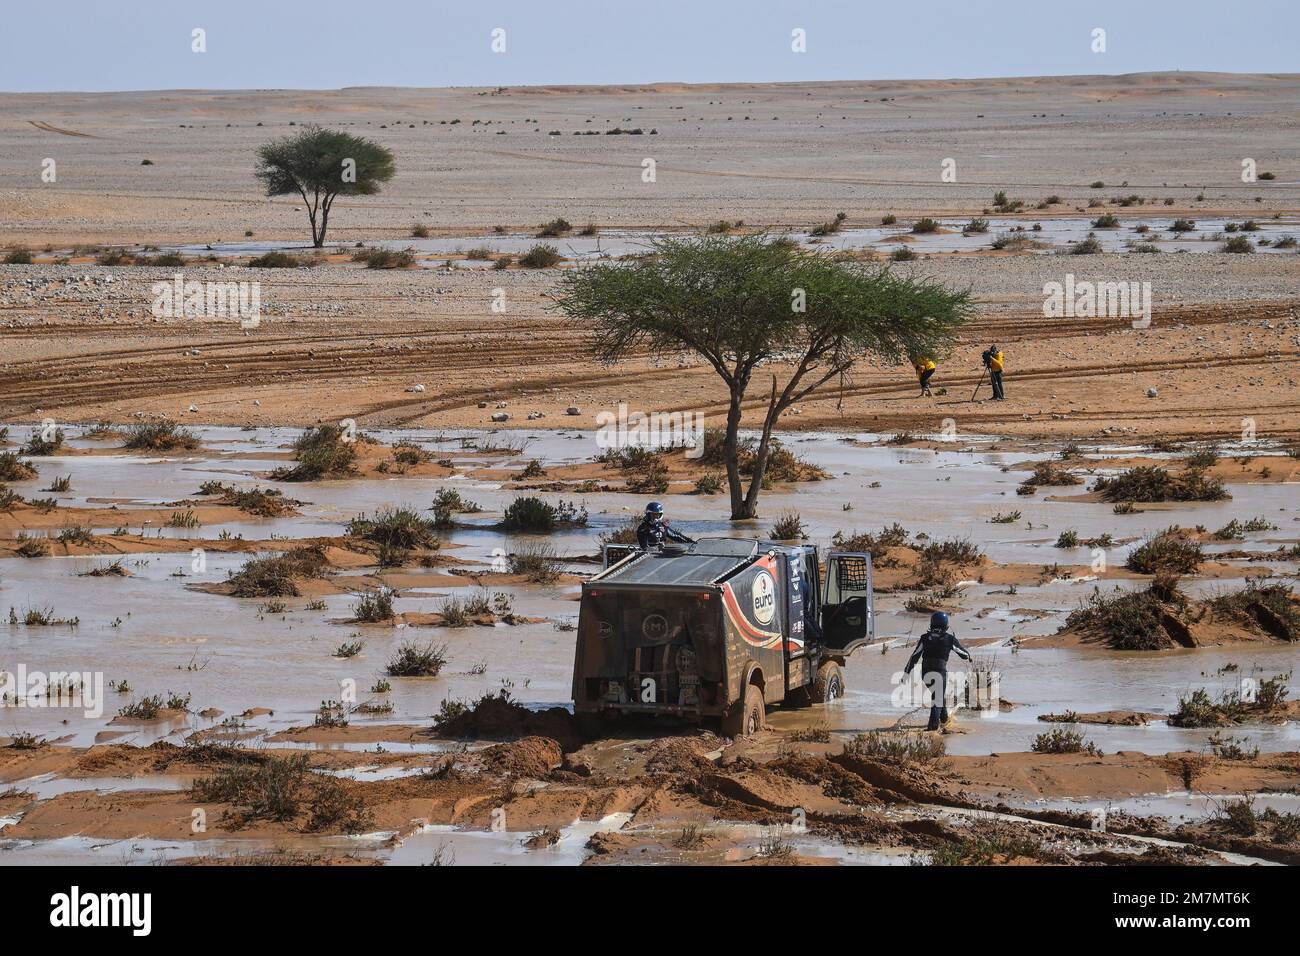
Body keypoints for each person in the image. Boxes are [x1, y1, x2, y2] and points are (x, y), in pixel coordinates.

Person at [903, 611, 972, 730]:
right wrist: (969, 656)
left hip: (925, 673)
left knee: (938, 695)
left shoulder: (924, 638)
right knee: (938, 699)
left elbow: (915, 656)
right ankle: (932, 728)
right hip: (939, 673)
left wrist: (906, 672)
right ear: (946, 625)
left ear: (932, 624)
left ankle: (944, 719)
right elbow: (963, 654)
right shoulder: (949, 639)